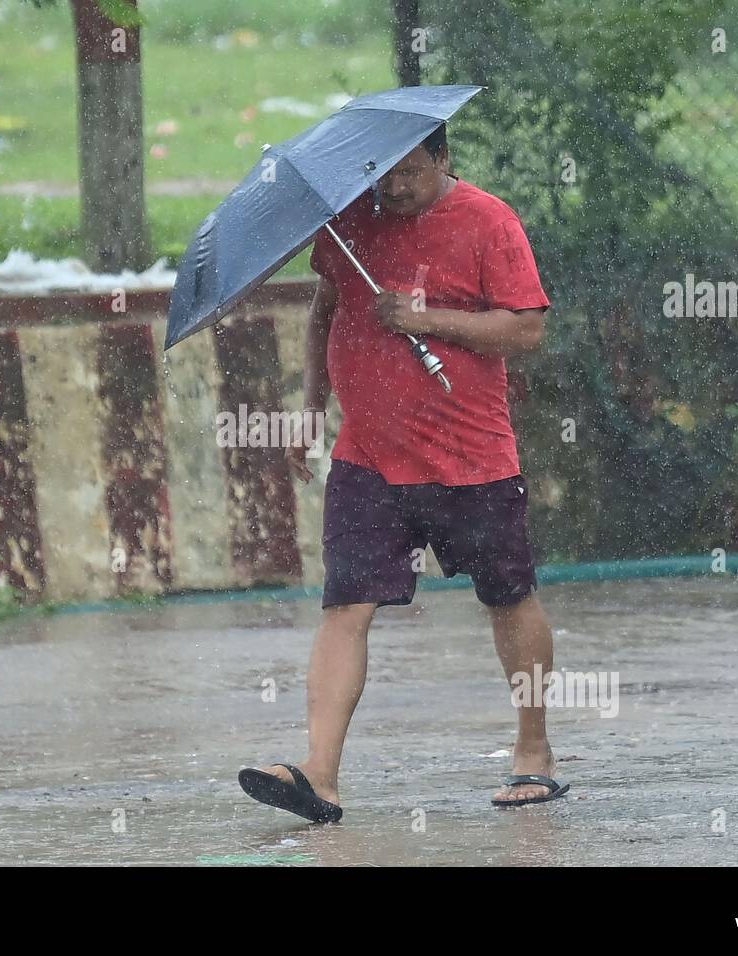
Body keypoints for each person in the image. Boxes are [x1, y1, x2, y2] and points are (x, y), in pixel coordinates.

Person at [237, 122, 568, 821]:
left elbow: (527, 328)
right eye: (382, 174)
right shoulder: (351, 223)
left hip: (471, 457)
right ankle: (318, 776)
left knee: (507, 596)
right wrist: (309, 403)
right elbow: (326, 308)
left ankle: (533, 752)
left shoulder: (488, 220)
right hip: (369, 457)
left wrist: (428, 319)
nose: (393, 186)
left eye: (410, 172)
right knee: (345, 607)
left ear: (444, 159)